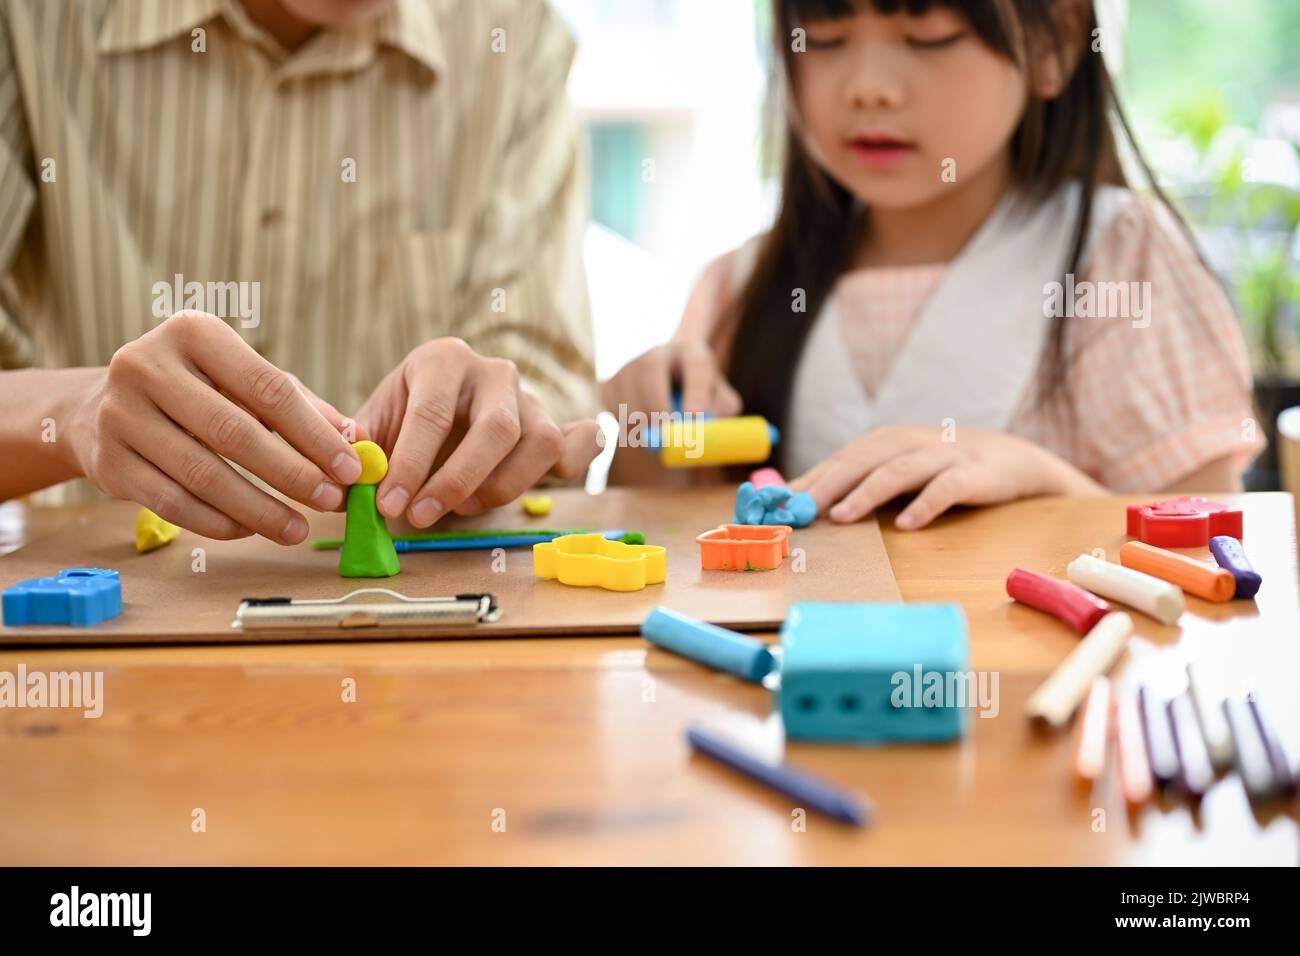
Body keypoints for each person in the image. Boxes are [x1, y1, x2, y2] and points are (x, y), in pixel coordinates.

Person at [603, 0, 1263, 529]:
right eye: (826, 35)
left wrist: (1040, 479)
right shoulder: (737, 287)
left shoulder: (1122, 261)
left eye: (929, 34)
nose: (868, 88)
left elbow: (1214, 557)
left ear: (1056, 39)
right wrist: (645, 435)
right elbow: (666, 547)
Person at [0, 0, 600, 543]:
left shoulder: (515, 38)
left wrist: (489, 425)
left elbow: (551, 397)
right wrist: (74, 411)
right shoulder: (31, 20)